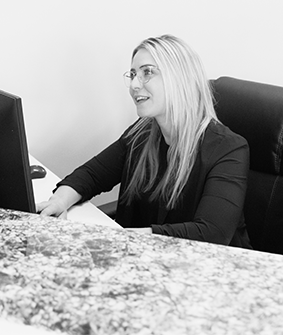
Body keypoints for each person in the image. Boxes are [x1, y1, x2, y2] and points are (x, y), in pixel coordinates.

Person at [37, 34, 251, 248]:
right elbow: (91, 175)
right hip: (149, 259)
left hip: (211, 270)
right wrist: (58, 202)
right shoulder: (141, 134)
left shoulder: (228, 149)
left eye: (147, 72)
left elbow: (211, 234)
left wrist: (118, 239)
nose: (134, 85)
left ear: (180, 78)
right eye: (132, 74)